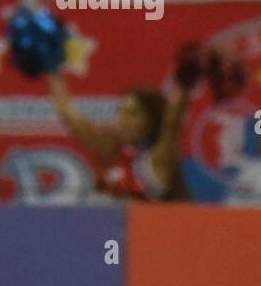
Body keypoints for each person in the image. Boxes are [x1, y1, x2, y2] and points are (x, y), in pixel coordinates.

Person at [48, 67, 190, 202]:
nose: (122, 120)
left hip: (152, 226)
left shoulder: (159, 156)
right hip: (105, 225)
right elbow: (68, 114)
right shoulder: (111, 148)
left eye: (132, 114)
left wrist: (185, 85)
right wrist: (51, 67)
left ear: (151, 120)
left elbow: (172, 124)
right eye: (121, 112)